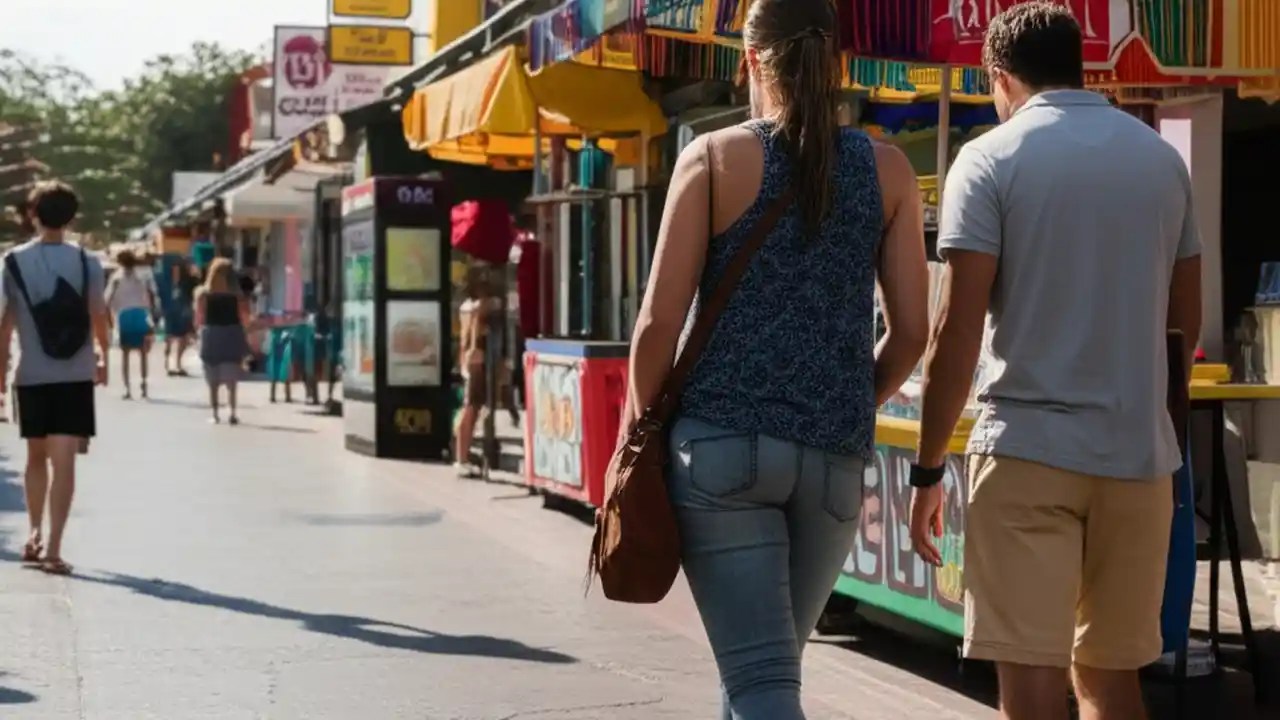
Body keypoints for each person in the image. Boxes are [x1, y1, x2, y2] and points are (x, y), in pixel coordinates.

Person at [617, 0, 929, 715]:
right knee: (764, 672)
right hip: (833, 461)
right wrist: (851, 401)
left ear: (752, 61)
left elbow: (658, 324)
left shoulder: (714, 160)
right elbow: (913, 331)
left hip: (720, 453)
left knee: (760, 681)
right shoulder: (890, 173)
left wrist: (641, 432)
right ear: (839, 63)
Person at [909, 5, 1203, 720]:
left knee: (1032, 685)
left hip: (1027, 452)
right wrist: (1163, 436)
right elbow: (1183, 322)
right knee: (1113, 679)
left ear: (999, 77)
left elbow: (957, 326)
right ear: (1081, 67)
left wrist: (926, 468)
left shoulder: (988, 159)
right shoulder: (1161, 160)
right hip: (1138, 459)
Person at [0, 181, 110, 575]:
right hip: (75, 373)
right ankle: (55, 549)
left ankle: (33, 533)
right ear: (72, 217)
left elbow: (3, 325)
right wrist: (103, 355)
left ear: (32, 214)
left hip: (30, 373)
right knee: (64, 462)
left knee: (35, 458)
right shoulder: (87, 262)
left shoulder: (11, 262)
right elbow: (98, 313)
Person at [195, 257, 250, 425]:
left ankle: (215, 413)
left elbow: (199, 317)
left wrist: (198, 332)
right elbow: (245, 317)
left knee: (213, 379)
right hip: (232, 334)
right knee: (231, 379)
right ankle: (232, 412)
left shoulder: (203, 294)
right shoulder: (237, 296)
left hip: (212, 334)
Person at [454, 277, 496, 477]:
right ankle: (461, 457)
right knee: (470, 407)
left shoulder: (465, 308)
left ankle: (463, 454)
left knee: (472, 408)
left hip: (468, 359)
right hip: (475, 360)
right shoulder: (476, 309)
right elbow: (473, 336)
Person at [105, 249, 158, 399]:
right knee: (143, 353)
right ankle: (143, 385)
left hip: (124, 317)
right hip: (141, 314)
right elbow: (152, 294)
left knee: (125, 354)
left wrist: (110, 321)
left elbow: (107, 301)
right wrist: (152, 316)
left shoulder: (116, 278)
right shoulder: (143, 276)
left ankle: (127, 388)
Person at [164, 258, 199, 376]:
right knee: (175, 338)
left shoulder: (189, 281)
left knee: (181, 338)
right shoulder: (172, 283)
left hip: (183, 311)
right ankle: (171, 363)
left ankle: (175, 364)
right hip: (178, 311)